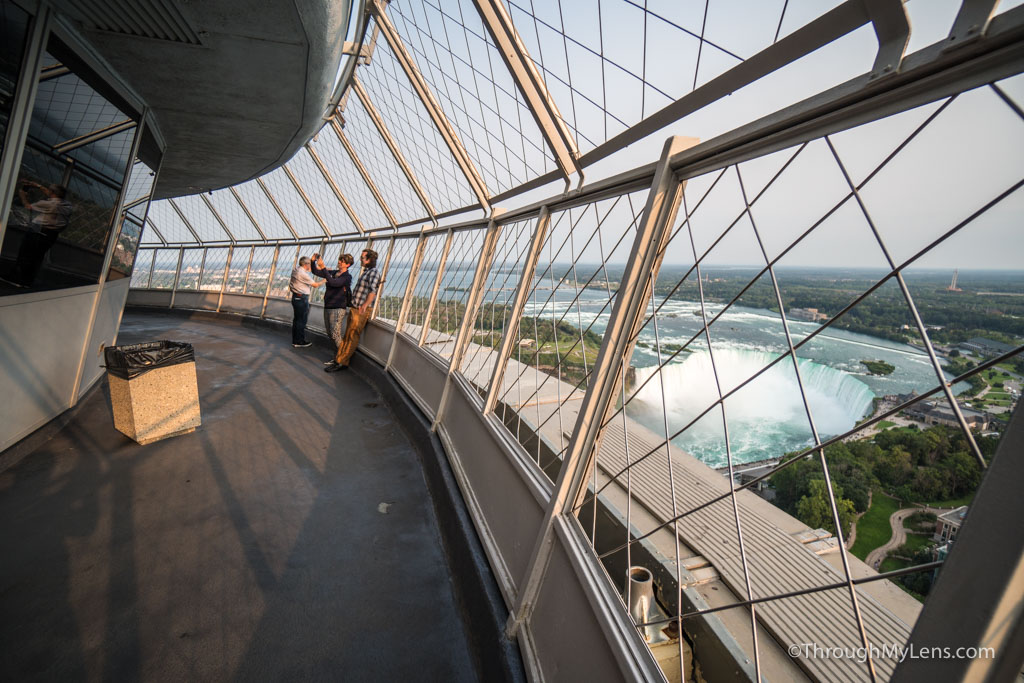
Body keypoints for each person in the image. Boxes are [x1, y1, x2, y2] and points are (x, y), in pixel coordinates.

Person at [2, 180, 73, 288]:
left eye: (49, 190)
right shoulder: (67, 205)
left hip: (38, 232)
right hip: (51, 236)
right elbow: (53, 196)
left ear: (52, 193)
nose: (47, 191)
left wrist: (22, 194)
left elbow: (27, 206)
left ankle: (16, 279)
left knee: (25, 255)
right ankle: (27, 281)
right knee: (37, 258)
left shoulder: (47, 204)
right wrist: (38, 186)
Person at [325, 248, 380, 372]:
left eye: (363, 257)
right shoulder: (367, 271)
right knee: (348, 335)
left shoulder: (374, 273)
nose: (360, 259)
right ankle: (339, 360)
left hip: (361, 309)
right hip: (356, 308)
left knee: (352, 336)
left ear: (369, 259)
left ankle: (342, 362)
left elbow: (373, 291)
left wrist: (365, 305)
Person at [311, 252, 353, 363]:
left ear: (347, 265)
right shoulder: (334, 272)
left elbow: (334, 283)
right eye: (340, 260)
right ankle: (337, 357)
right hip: (328, 306)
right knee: (330, 334)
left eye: (342, 261)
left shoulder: (347, 277)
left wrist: (323, 267)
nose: (339, 262)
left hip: (338, 308)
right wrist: (313, 261)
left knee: (335, 334)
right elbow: (315, 271)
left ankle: (342, 359)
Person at [288, 255, 322, 348]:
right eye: (310, 264)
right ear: (306, 264)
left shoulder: (296, 269)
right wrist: (326, 279)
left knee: (297, 320)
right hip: (301, 299)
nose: (311, 265)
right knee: (301, 321)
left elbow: (309, 269)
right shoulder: (302, 273)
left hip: (296, 298)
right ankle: (299, 341)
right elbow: (315, 285)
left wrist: (313, 263)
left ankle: (295, 340)